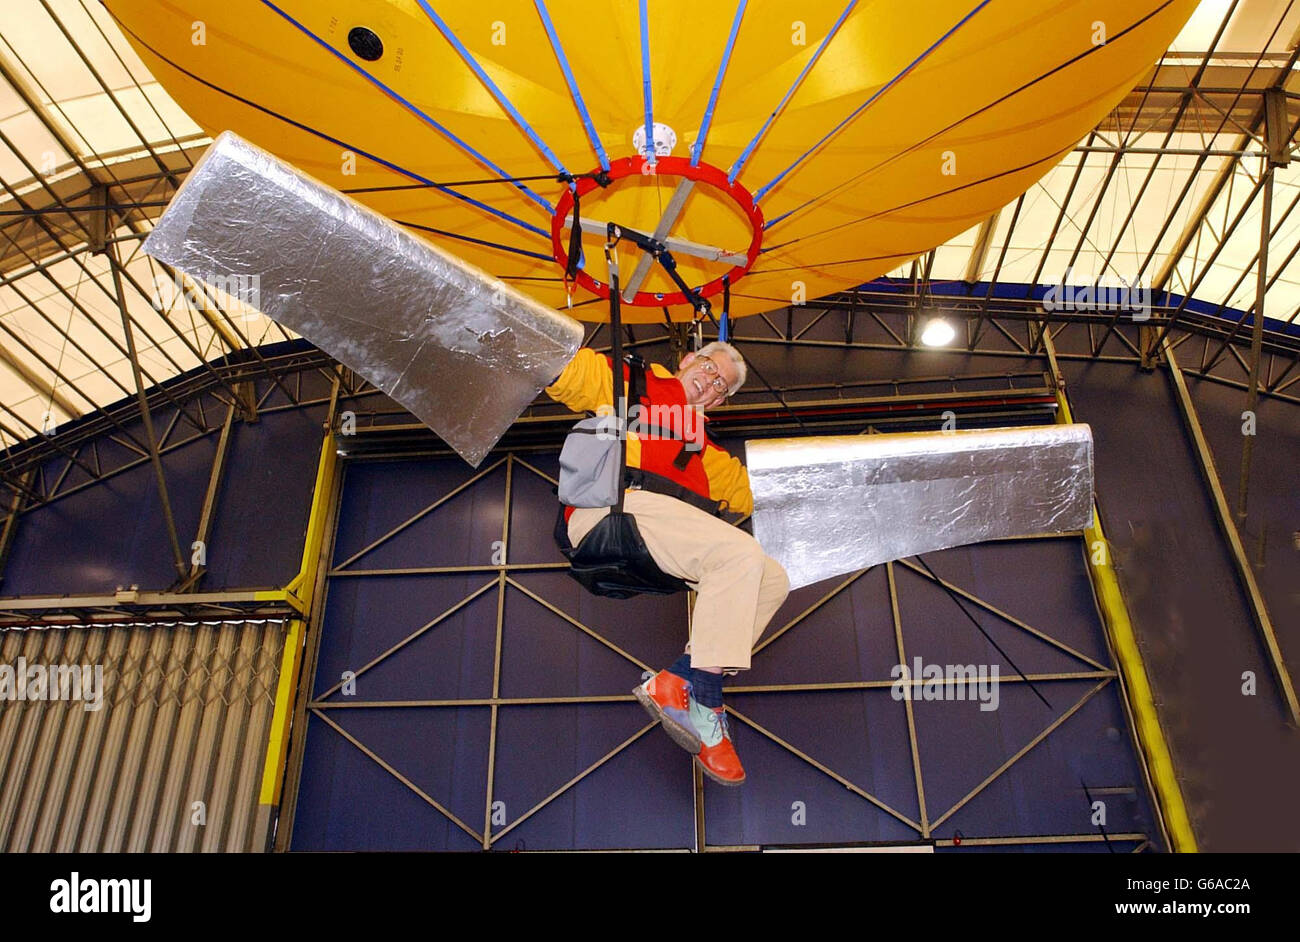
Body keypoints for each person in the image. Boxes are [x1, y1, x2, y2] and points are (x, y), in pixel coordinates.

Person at [544, 340, 790, 785]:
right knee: (738, 552)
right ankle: (706, 699)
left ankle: (683, 679)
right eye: (709, 367)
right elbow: (565, 368)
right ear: (686, 360)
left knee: (772, 578)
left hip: (654, 540)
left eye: (722, 386)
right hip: (608, 511)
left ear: (718, 401)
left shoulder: (707, 456)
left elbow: (769, 498)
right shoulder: (632, 384)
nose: (711, 383)